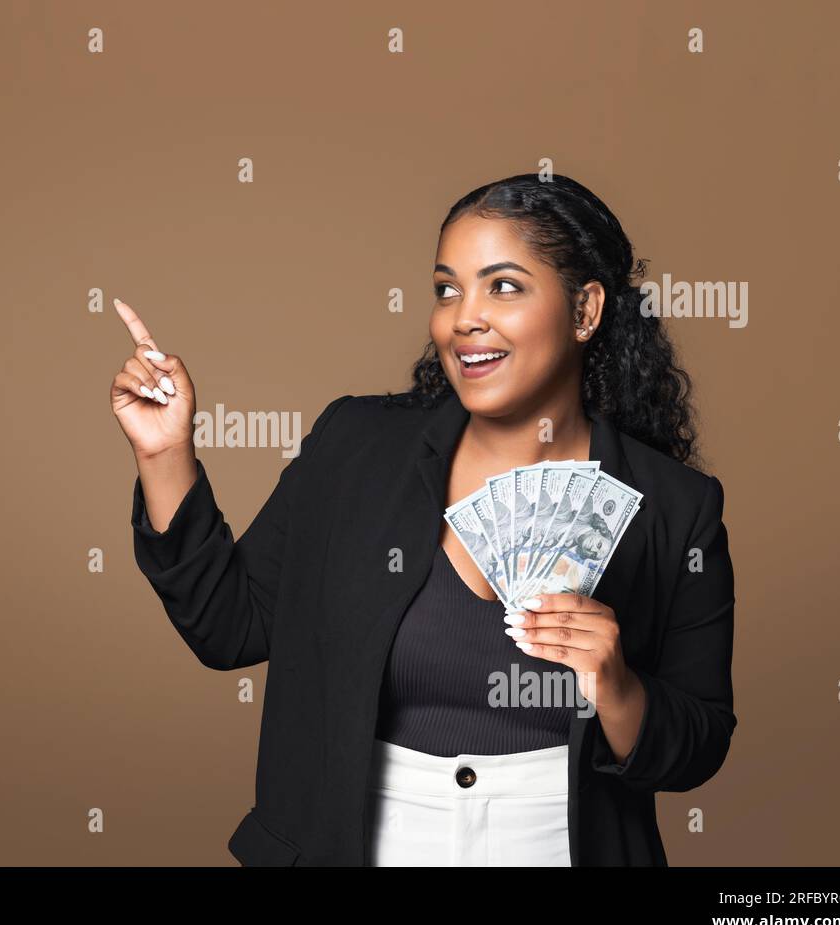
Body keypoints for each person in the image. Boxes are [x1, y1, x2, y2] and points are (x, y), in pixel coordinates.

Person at [112, 172, 737, 866]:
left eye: (504, 286)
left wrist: (617, 686)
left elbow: (697, 745)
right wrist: (166, 454)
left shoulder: (674, 506)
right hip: (362, 844)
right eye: (448, 289)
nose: (464, 317)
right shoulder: (355, 447)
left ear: (585, 310)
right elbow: (228, 627)